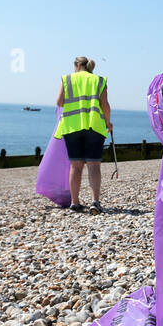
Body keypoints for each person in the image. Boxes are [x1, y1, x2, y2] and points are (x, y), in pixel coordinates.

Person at [55, 56, 111, 213]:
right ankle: (95, 202)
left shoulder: (66, 79)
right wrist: (108, 122)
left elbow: (59, 102)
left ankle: (75, 202)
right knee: (93, 165)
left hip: (72, 127)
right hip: (94, 126)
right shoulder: (99, 80)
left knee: (76, 165)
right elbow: (104, 105)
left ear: (78, 65)